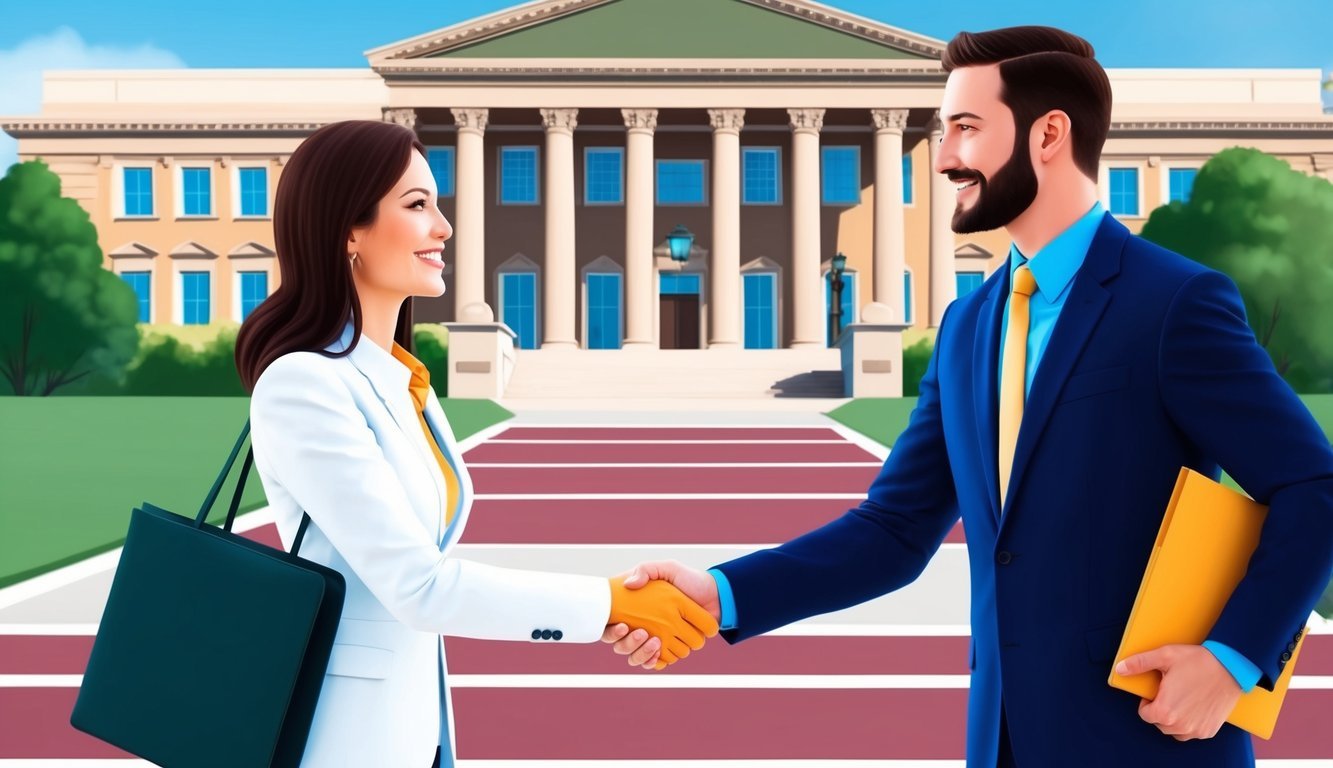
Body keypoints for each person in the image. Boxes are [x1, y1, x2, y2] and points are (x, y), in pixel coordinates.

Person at [608, 26, 1333, 767]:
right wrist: (720, 595)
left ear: (1048, 134)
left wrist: (1232, 660)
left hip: (1148, 737)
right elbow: (892, 530)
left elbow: (1313, 484)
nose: (946, 156)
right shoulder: (965, 327)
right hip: (1000, 742)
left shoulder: (1171, 302)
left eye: (966, 128)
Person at [235, 119, 718, 768]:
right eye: (416, 205)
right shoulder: (303, 385)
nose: (444, 227)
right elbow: (416, 584)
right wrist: (608, 604)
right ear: (348, 229)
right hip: (343, 739)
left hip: (415, 728)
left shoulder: (407, 382)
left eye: (438, 203)